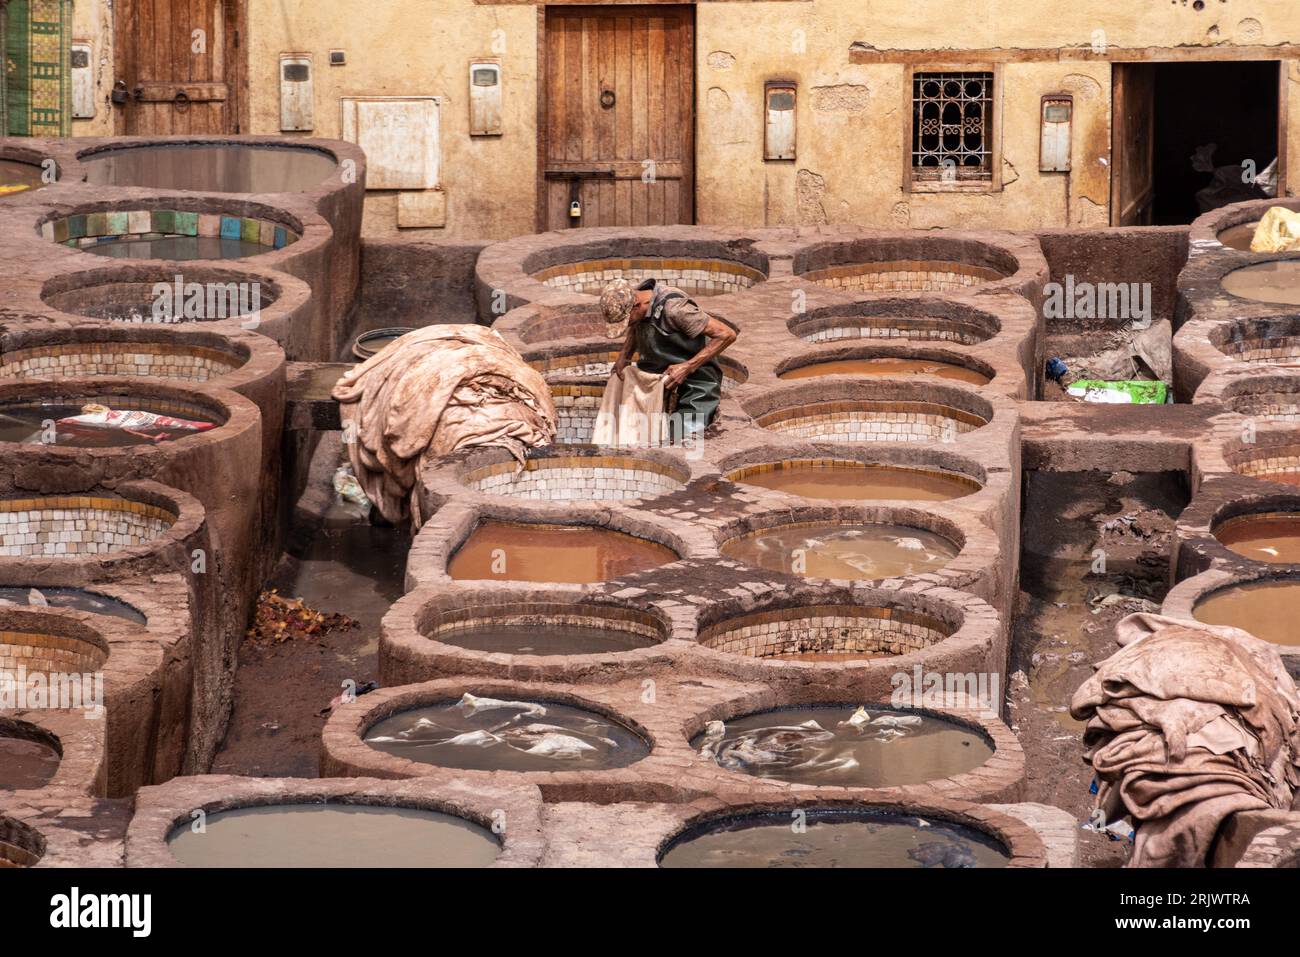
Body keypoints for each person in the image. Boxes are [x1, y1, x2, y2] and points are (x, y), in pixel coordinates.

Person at [598, 277, 737, 436]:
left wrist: (687, 367)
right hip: (661, 376)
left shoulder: (675, 309)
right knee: (641, 430)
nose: (628, 324)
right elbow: (635, 326)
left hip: (695, 383)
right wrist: (624, 355)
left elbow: (727, 334)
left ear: (637, 306)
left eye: (626, 320)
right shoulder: (637, 297)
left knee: (680, 436)